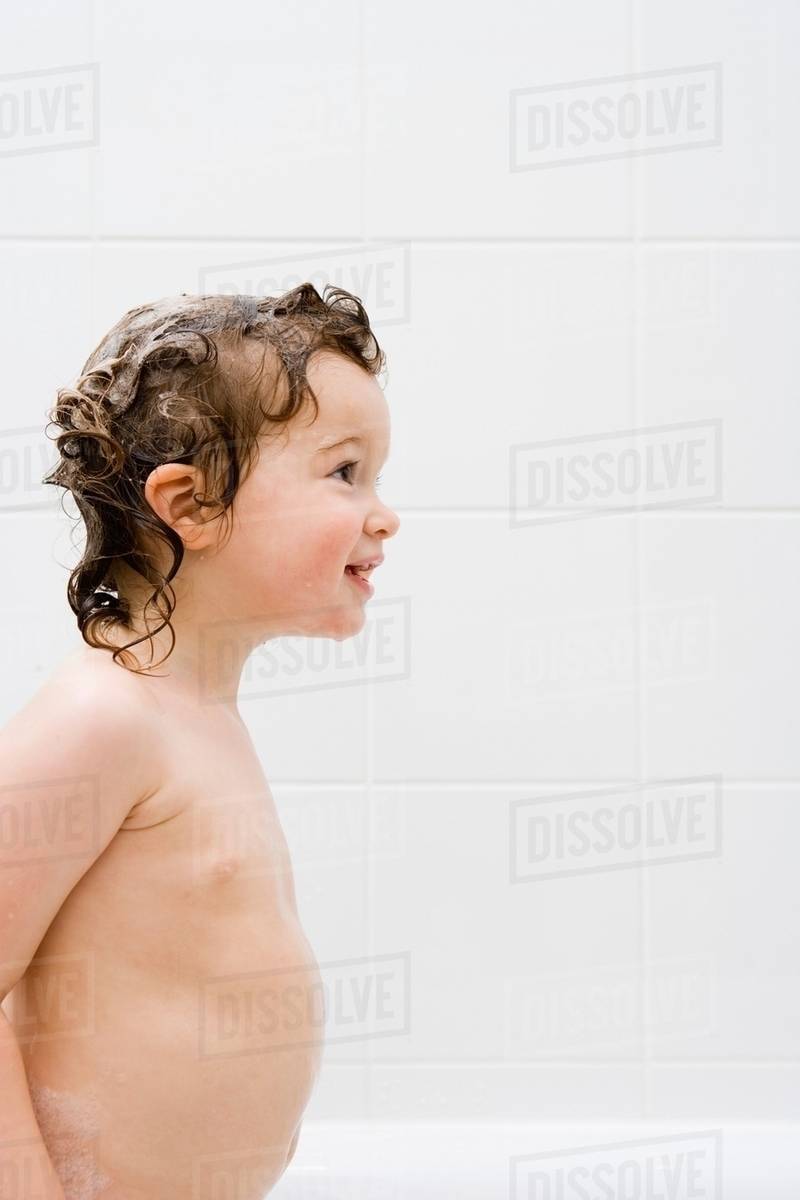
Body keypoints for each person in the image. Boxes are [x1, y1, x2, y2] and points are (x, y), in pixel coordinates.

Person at [0, 284, 400, 1199]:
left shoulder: (198, 715)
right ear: (194, 505)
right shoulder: (104, 719)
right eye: (345, 473)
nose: (383, 514)